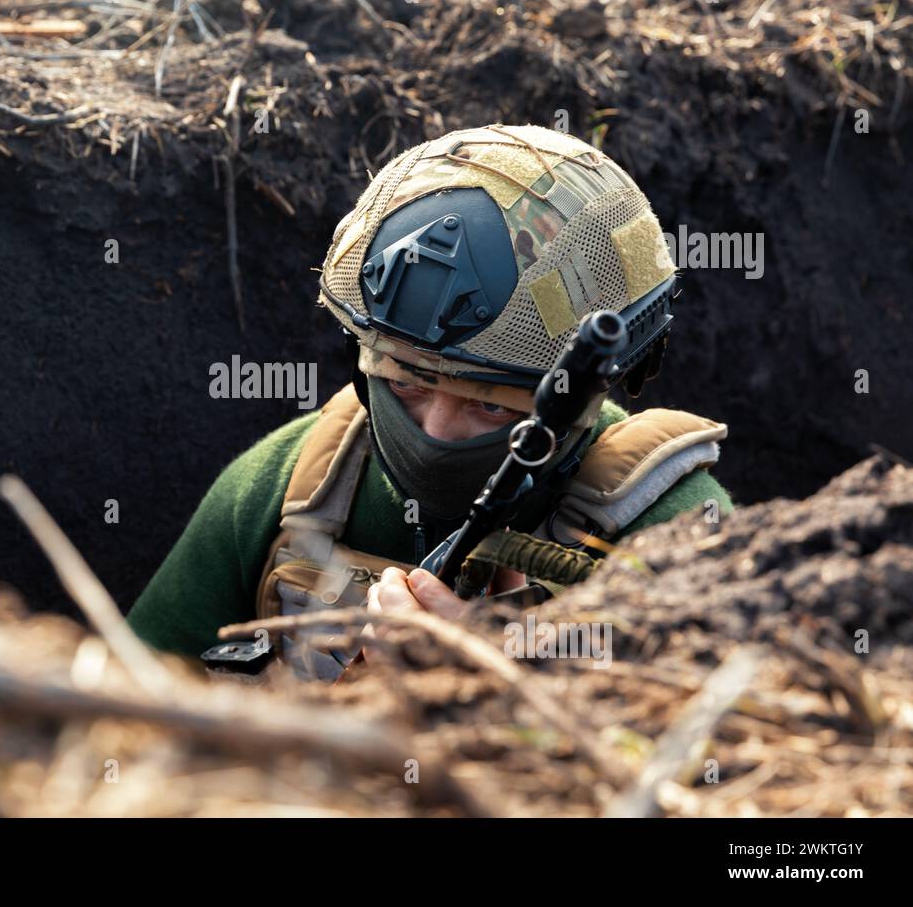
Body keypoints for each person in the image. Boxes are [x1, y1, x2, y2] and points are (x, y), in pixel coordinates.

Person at [127, 124, 733, 679]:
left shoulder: (670, 528)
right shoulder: (286, 488)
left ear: (592, 389)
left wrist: (497, 679)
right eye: (408, 385)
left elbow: (729, 754)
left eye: (491, 406)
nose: (437, 433)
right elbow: (118, 716)